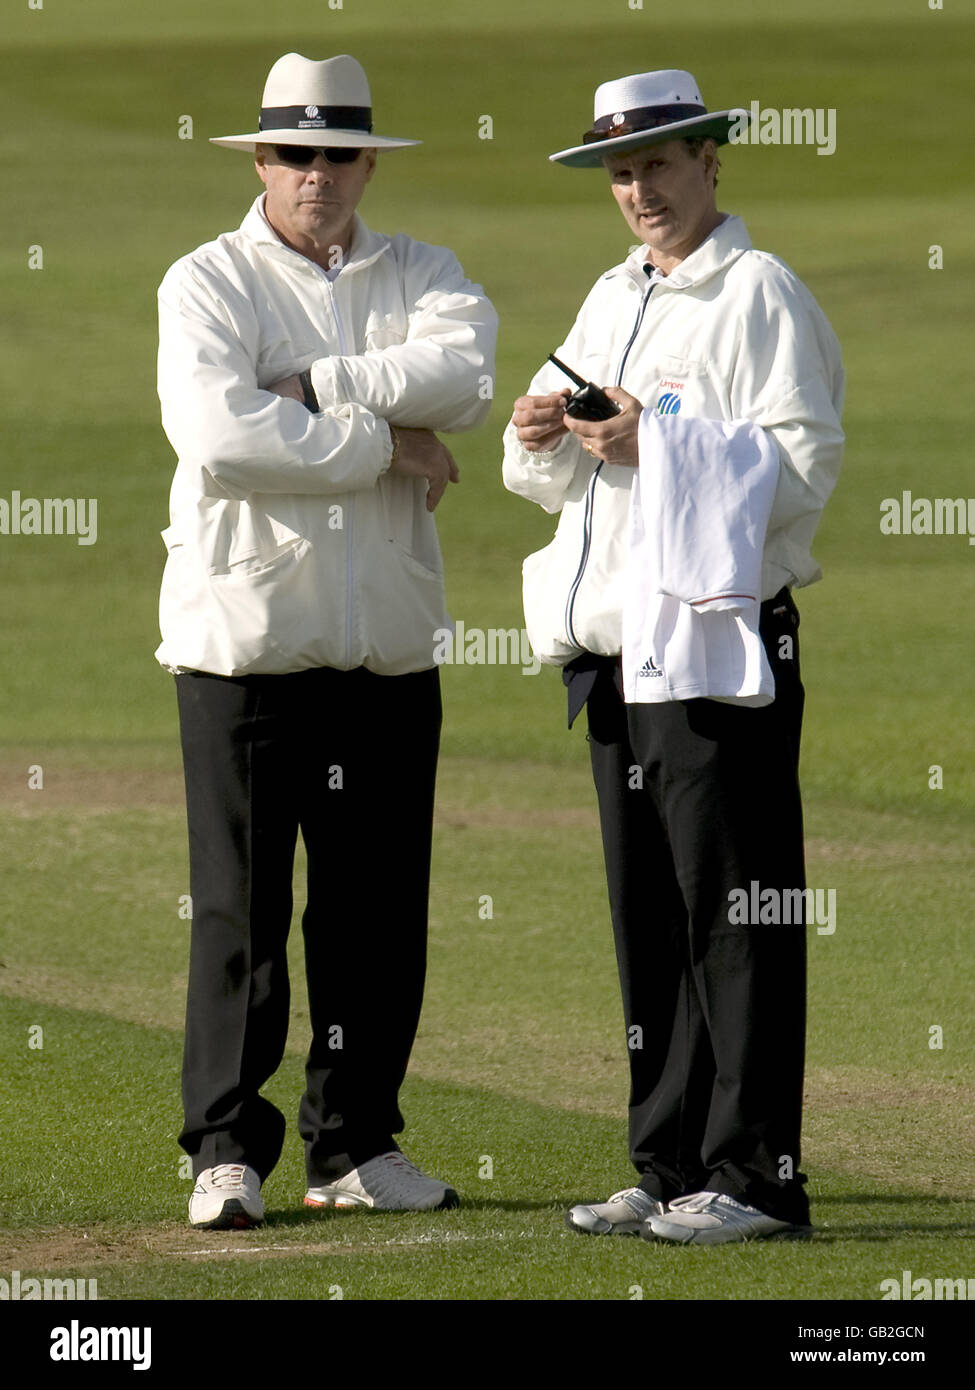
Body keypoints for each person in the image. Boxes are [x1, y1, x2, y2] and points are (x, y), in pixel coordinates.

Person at [156, 52, 497, 1229]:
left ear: (366, 164)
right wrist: (382, 442)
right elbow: (219, 435)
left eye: (338, 155)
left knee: (374, 911)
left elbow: (463, 372)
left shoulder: (424, 272)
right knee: (239, 910)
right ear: (260, 160)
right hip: (245, 649)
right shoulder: (205, 281)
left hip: (387, 654)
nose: (317, 175)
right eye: (294, 153)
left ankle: (355, 1142)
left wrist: (312, 381)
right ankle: (224, 1147)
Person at [502, 69, 844, 1244]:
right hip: (616, 653)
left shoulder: (762, 295)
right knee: (648, 915)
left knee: (737, 914)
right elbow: (552, 484)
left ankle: (758, 1176)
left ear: (711, 162)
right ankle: (667, 1161)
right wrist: (539, 431)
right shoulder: (613, 293)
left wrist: (663, 441)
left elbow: (803, 472)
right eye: (620, 171)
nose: (640, 190)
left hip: (716, 648)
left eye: (658, 164)